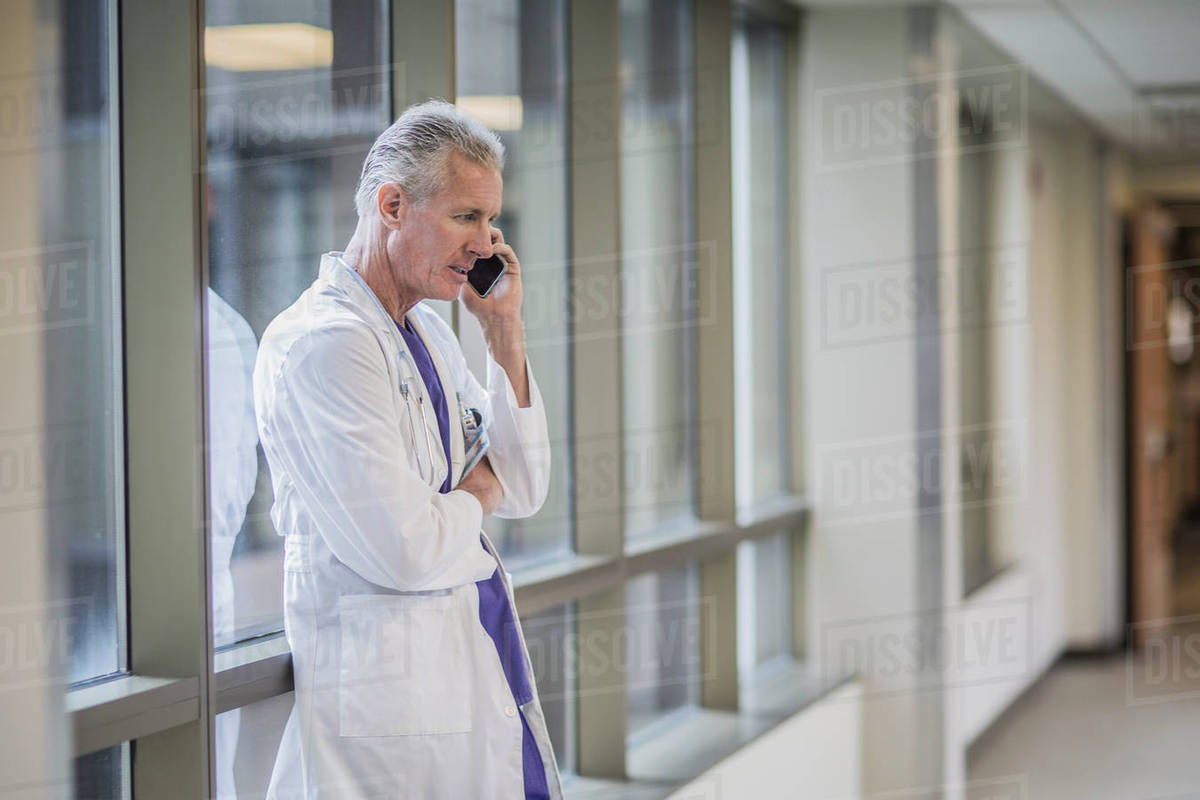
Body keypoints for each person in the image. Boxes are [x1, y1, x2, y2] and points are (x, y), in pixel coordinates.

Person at [254, 100, 561, 799]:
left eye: (490, 221)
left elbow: (528, 485)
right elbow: (407, 549)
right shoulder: (323, 346)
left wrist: (502, 332)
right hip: (383, 730)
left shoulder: (433, 335)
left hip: (460, 682)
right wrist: (479, 490)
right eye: (465, 217)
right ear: (392, 204)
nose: (486, 244)